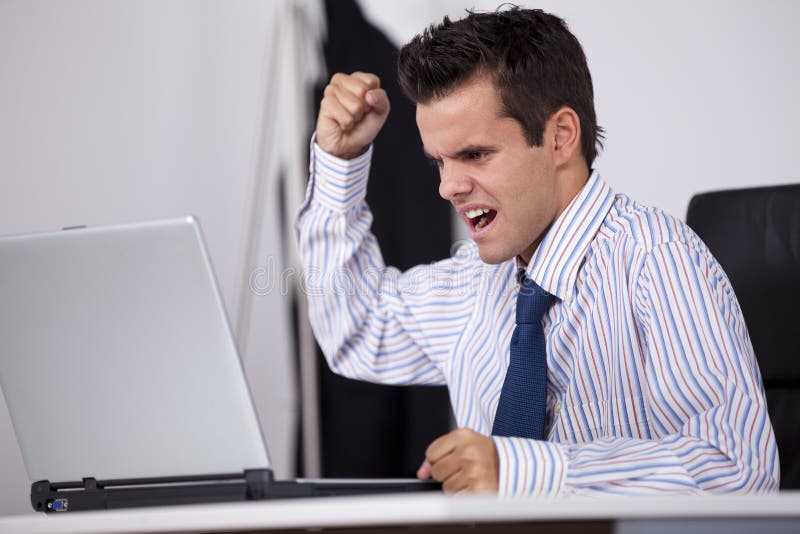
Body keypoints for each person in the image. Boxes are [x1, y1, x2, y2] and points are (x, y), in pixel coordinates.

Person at [294, 6, 779, 495]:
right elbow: (354, 329)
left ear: (560, 137)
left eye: (474, 154)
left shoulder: (659, 260)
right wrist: (341, 161)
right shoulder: (474, 284)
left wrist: (526, 472)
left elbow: (739, 468)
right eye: (439, 162)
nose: (447, 187)